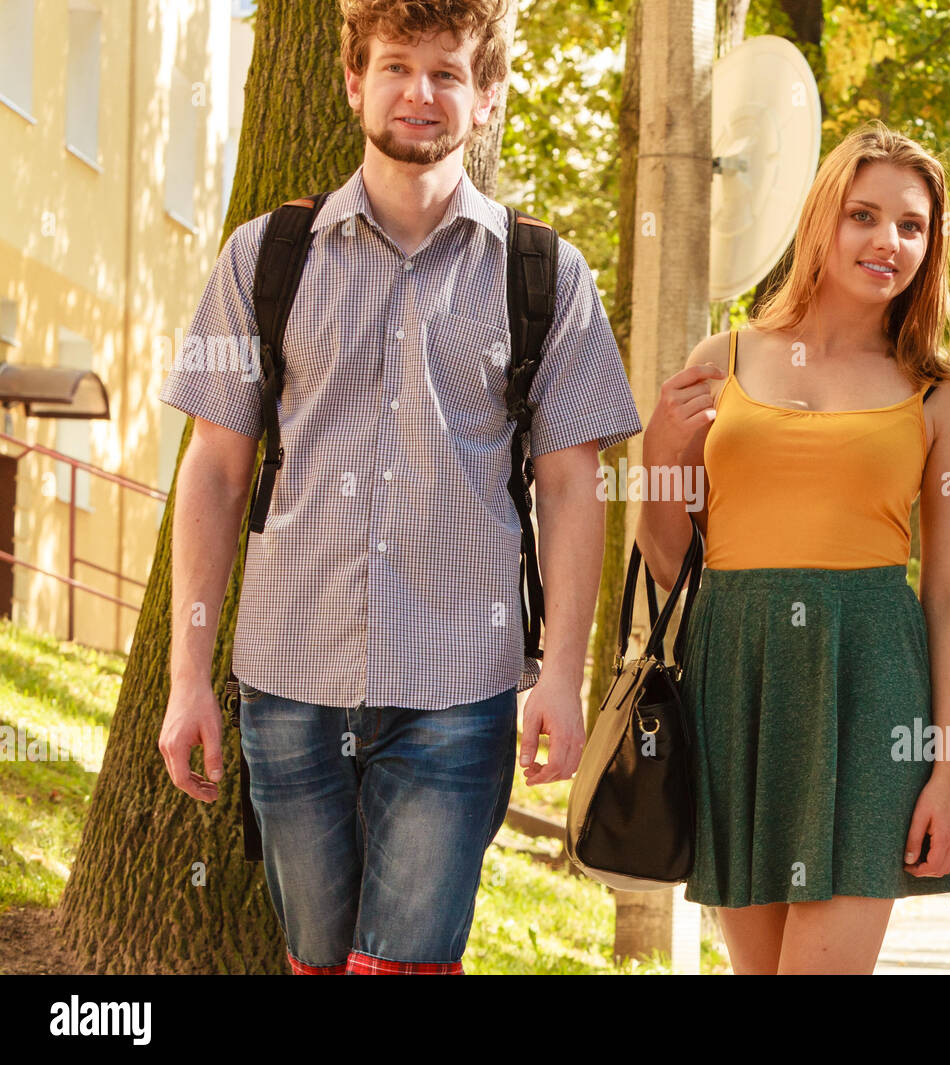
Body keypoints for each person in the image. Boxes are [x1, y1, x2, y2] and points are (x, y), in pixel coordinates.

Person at [156, 0, 641, 975]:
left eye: (449, 71)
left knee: (408, 966)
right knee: (314, 959)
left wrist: (561, 679)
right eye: (396, 67)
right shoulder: (265, 259)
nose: (420, 92)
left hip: (457, 693)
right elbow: (212, 473)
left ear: (488, 94)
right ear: (353, 82)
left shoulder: (546, 276)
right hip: (287, 682)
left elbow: (572, 489)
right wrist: (185, 680)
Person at [636, 122, 950, 974]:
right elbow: (666, 560)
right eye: (864, 215)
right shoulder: (721, 358)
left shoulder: (945, 394)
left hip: (871, 685)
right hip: (737, 678)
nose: (887, 242)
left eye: (912, 226)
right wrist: (659, 454)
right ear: (822, 220)